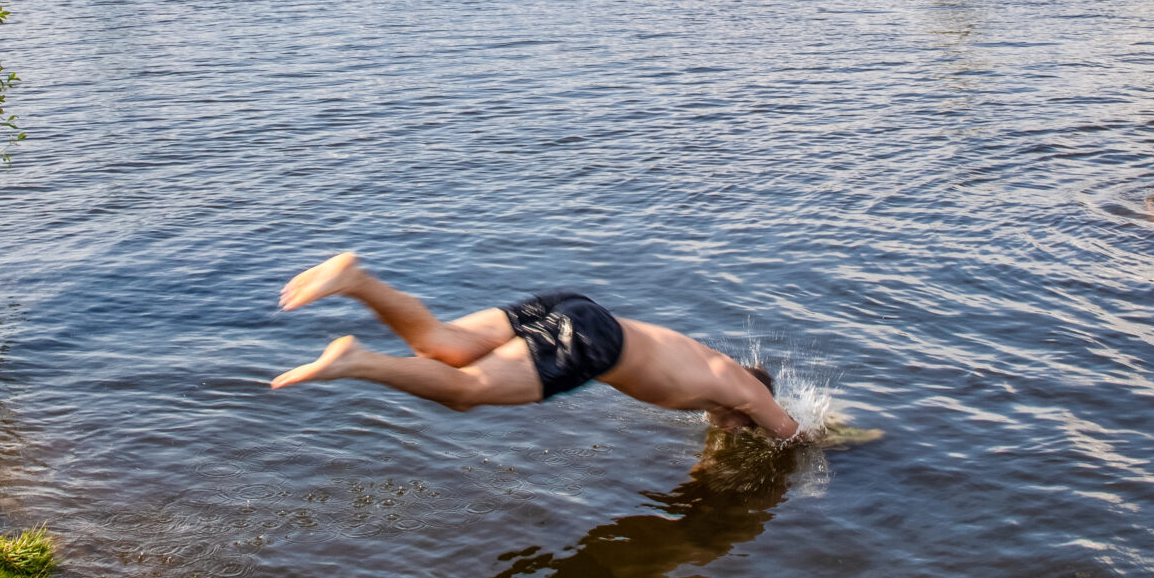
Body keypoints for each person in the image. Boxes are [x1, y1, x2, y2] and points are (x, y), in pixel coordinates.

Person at [270, 252, 800, 439]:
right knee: (465, 391)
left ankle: (357, 279)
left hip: (577, 306)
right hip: (594, 341)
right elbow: (791, 433)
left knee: (443, 343)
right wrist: (844, 443)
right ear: (753, 397)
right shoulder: (738, 388)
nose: (731, 431)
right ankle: (358, 362)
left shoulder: (713, 371)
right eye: (739, 425)